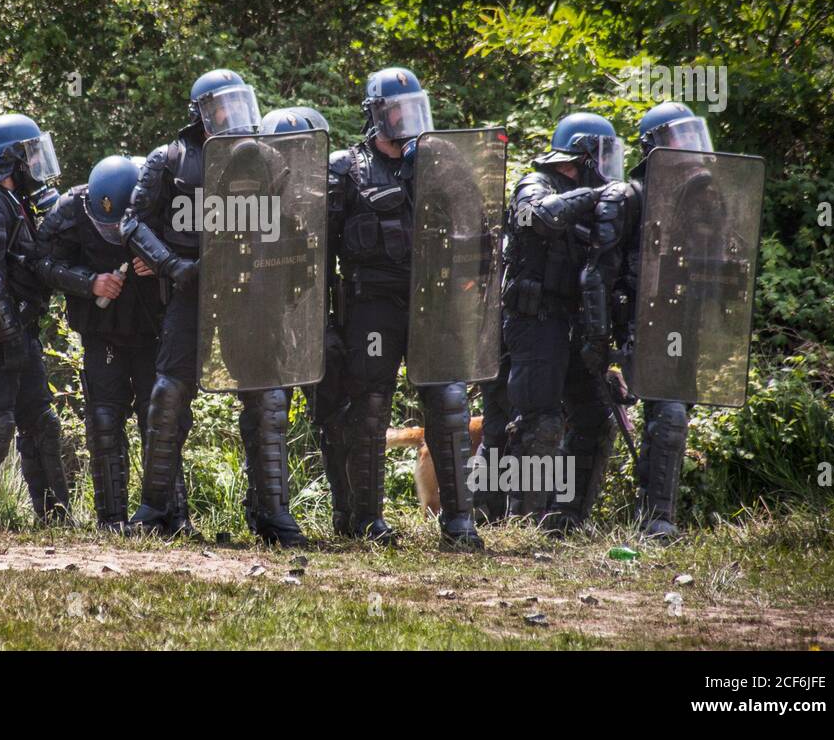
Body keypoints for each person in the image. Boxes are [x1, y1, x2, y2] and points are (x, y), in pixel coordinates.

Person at [120, 70, 308, 547]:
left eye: (237, 103)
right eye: (221, 106)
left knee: (266, 399)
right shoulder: (170, 159)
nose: (231, 114)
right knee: (169, 393)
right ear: (200, 113)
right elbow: (133, 223)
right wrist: (172, 267)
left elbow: (293, 227)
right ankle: (154, 509)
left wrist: (283, 284)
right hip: (190, 291)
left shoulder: (268, 157)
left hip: (251, 293)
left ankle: (272, 514)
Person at [327, 67, 480, 549]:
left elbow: (478, 230)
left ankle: (458, 522)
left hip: (433, 305)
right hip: (372, 306)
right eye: (397, 110)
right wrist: (324, 324)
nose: (407, 118)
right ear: (376, 115)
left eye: (414, 108)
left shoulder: (444, 165)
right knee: (369, 407)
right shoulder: (346, 169)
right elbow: (318, 252)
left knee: (449, 403)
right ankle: (367, 520)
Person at [36, 155, 193, 532]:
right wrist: (89, 282)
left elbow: (196, 260)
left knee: (161, 420)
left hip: (154, 333)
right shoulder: (71, 208)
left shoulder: (162, 200)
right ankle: (111, 519)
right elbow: (41, 262)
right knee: (104, 420)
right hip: (102, 333)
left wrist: (161, 264)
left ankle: (171, 517)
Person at [0, 114, 83, 521]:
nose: (37, 164)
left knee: (41, 423)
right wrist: (8, 339)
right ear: (11, 159)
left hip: (19, 335)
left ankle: (55, 516)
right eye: (30, 154)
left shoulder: (15, 201)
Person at [499, 111, 624, 526]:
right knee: (540, 423)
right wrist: (597, 194)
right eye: (601, 157)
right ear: (582, 157)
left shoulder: (600, 202)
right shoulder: (535, 184)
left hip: (576, 325)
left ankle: (566, 517)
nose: (607, 167)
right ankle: (524, 519)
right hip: (534, 322)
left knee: (596, 419)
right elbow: (540, 216)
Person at [617, 102, 716, 541]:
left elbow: (722, 256)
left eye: (691, 136)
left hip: (686, 320)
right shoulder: (634, 196)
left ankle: (657, 517)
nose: (687, 148)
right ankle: (653, 519)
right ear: (652, 147)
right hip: (643, 322)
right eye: (677, 139)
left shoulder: (707, 199)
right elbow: (606, 268)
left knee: (674, 416)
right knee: (667, 411)